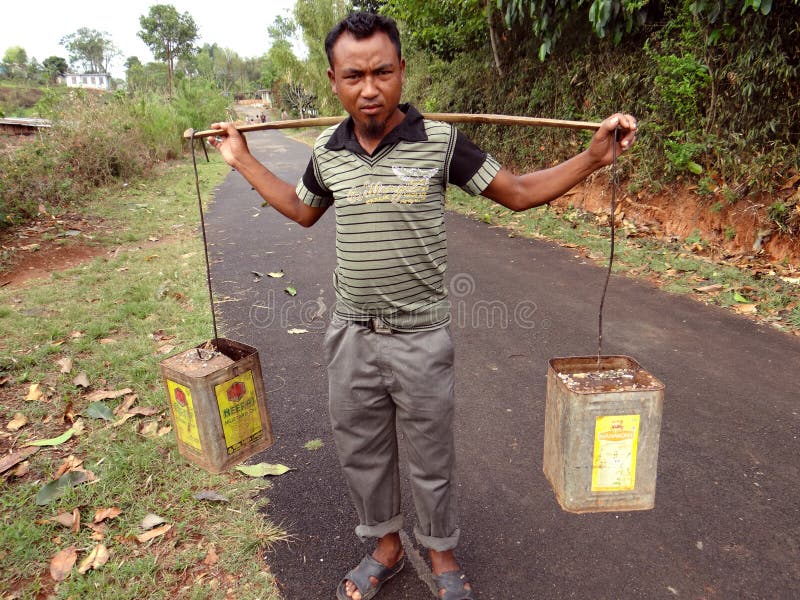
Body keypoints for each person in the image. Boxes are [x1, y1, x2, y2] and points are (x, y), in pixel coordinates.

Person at [209, 11, 636, 600]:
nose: (369, 88)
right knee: (362, 451)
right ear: (333, 79)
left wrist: (592, 158)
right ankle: (385, 547)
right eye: (353, 75)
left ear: (402, 72)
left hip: (421, 337)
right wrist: (243, 160)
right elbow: (303, 209)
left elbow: (515, 194)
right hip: (350, 335)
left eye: (382, 72)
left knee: (432, 457)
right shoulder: (328, 149)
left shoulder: (441, 142)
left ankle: (441, 554)